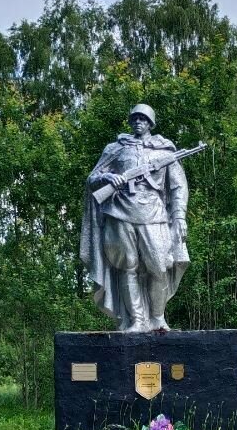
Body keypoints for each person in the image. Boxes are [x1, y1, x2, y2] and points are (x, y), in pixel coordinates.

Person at [80, 104, 189, 331]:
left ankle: (157, 318)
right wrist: (109, 178)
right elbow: (92, 179)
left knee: (159, 266)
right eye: (135, 118)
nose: (139, 122)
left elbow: (178, 188)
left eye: (143, 119)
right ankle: (137, 320)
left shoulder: (165, 151)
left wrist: (179, 217)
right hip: (120, 212)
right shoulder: (116, 149)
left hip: (154, 213)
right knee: (127, 266)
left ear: (150, 123)